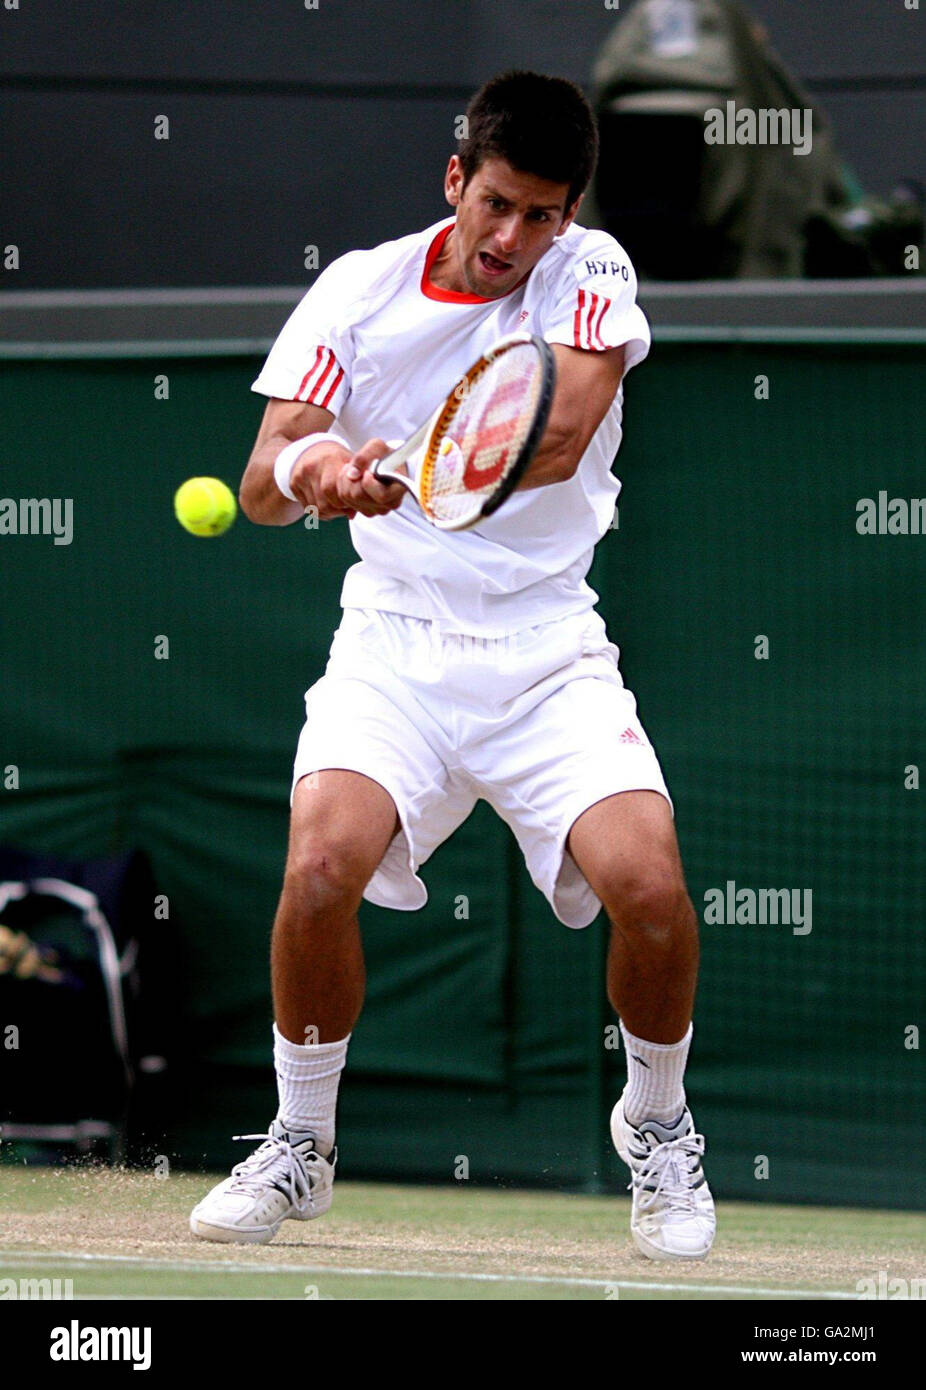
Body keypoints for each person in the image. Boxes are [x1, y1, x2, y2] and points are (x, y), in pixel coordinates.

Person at [189, 70, 715, 1261]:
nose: (512, 238)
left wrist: (398, 472)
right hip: (394, 640)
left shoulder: (590, 270)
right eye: (495, 205)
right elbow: (266, 476)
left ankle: (658, 1120)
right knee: (320, 860)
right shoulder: (356, 291)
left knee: (649, 889)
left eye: (541, 213)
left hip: (546, 647)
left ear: (567, 212)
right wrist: (310, 478)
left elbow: (563, 430)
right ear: (453, 181)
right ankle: (300, 1140)